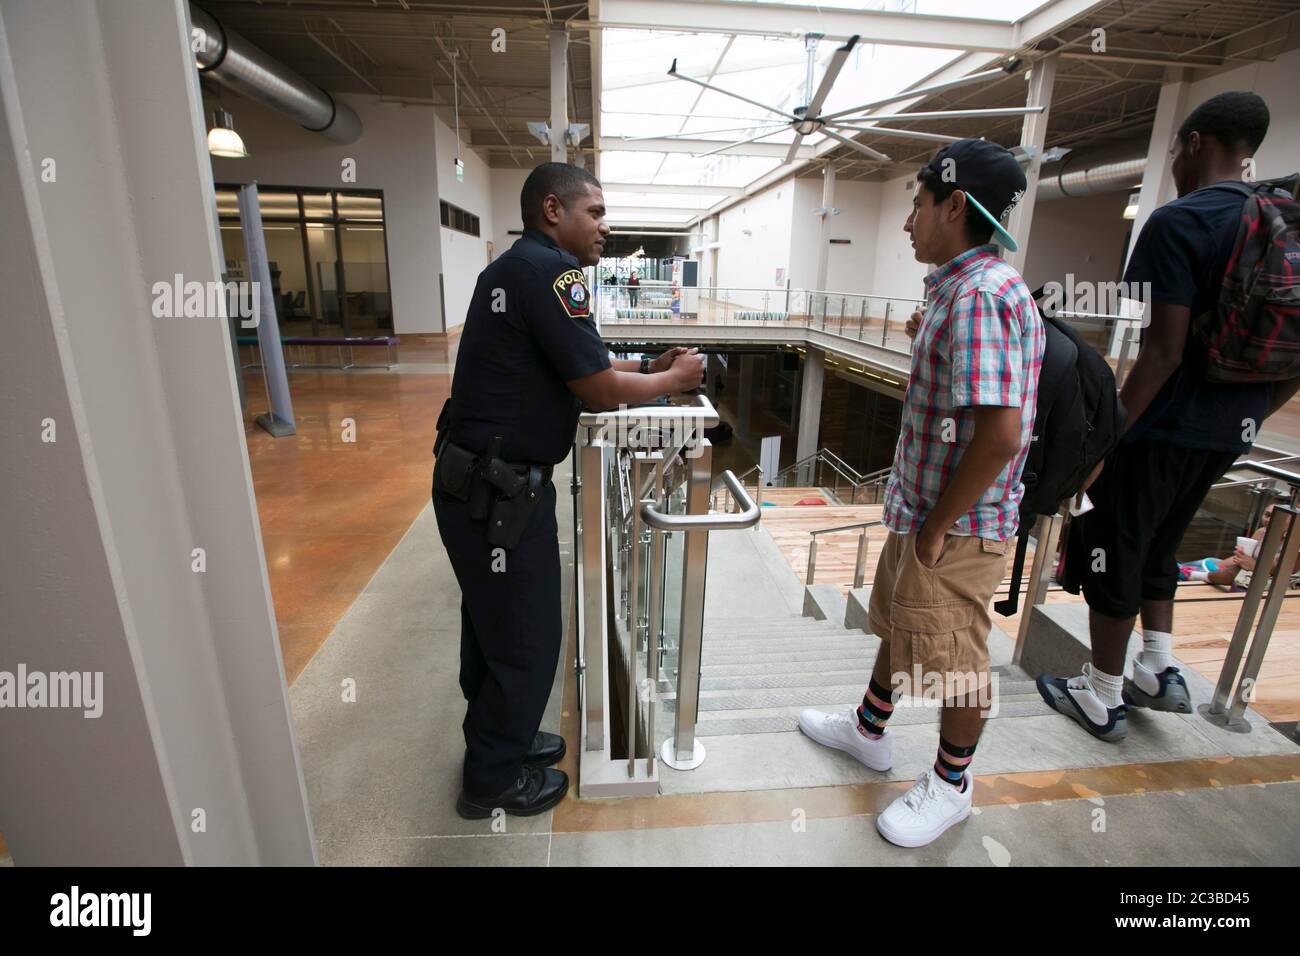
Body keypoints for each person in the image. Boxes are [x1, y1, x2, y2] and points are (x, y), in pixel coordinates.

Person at [432, 162, 704, 819]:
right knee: (526, 640)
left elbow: (585, 359)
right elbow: (599, 390)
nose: (607, 228)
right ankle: (490, 781)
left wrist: (645, 365)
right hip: (496, 494)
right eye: (597, 213)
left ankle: (506, 740)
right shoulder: (553, 272)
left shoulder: (519, 268)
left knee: (493, 632)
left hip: (474, 484)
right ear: (553, 209)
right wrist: (673, 382)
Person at [798, 139, 1045, 848]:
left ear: (955, 207)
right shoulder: (960, 292)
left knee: (955, 660)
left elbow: (1000, 435)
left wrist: (939, 525)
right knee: (908, 627)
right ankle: (870, 730)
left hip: (956, 526)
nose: (908, 222)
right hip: (928, 513)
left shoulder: (978, 298)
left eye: (917, 204)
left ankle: (952, 783)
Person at [1039, 91, 1300, 737]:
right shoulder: (1276, 222)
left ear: (1194, 142)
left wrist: (1105, 440)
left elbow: (1161, 352)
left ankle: (1100, 694)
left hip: (1165, 423)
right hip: (1231, 429)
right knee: (1161, 538)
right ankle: (1157, 664)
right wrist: (1249, 412)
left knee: (1111, 544)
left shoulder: (1180, 220)